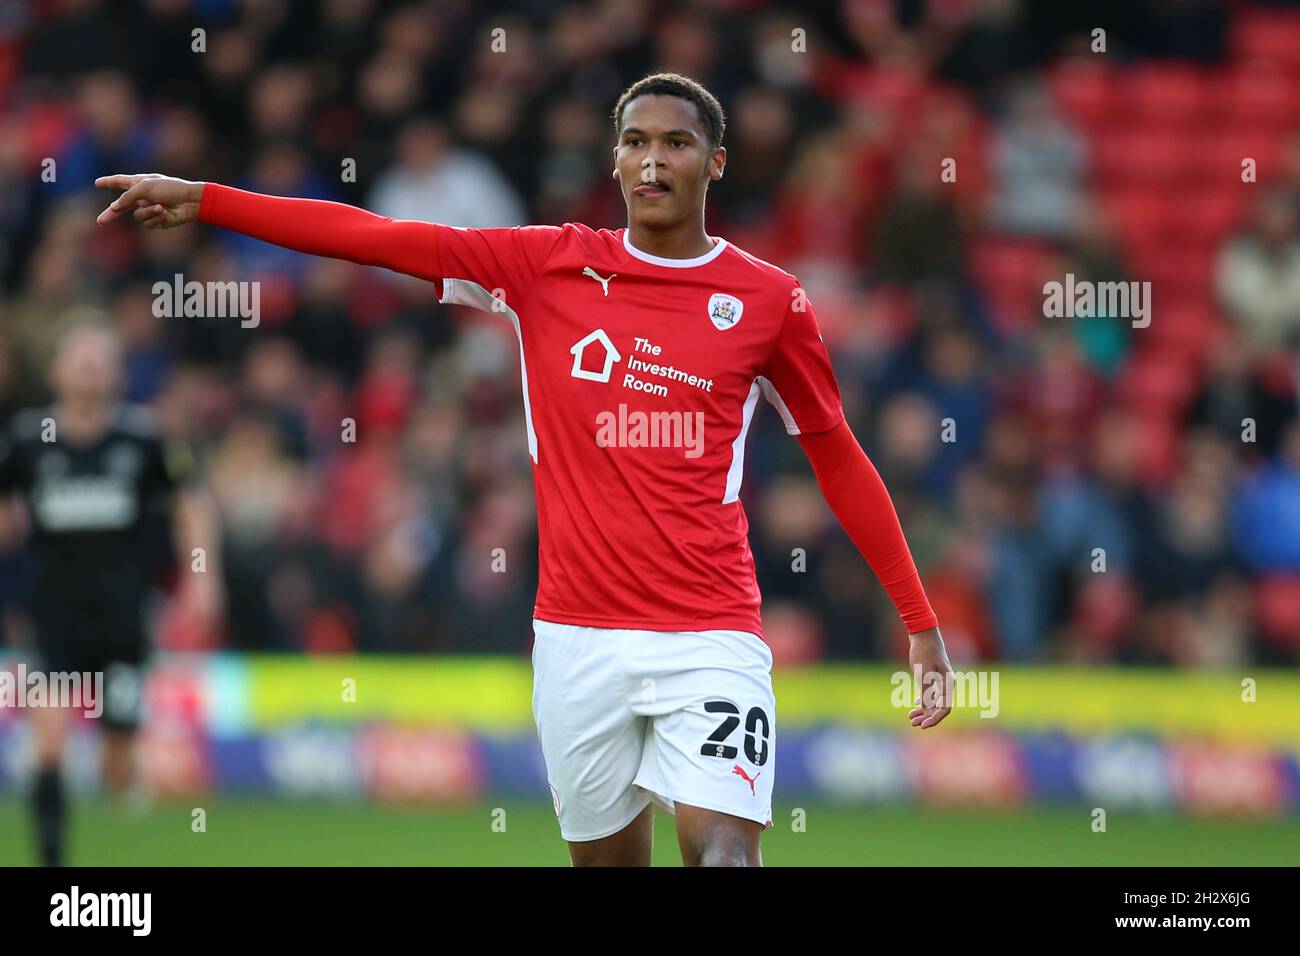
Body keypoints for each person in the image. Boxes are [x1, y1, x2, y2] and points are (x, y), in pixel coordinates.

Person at [95, 72, 952, 867]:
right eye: (634, 141)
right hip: (576, 641)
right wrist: (210, 199)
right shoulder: (545, 266)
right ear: (614, 157)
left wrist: (918, 618)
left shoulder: (768, 300)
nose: (652, 159)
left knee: (724, 857)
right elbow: (378, 238)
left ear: (715, 161)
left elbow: (837, 454)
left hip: (710, 635)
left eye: (677, 143)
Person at [0, 325, 221, 865]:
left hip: (123, 619)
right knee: (48, 744)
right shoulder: (29, 439)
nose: (90, 371)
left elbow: (190, 505)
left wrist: (203, 576)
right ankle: (52, 866)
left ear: (118, 374)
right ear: (56, 372)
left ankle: (126, 769)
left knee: (115, 764)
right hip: (53, 617)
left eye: (101, 361)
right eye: (79, 361)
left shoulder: (144, 439)